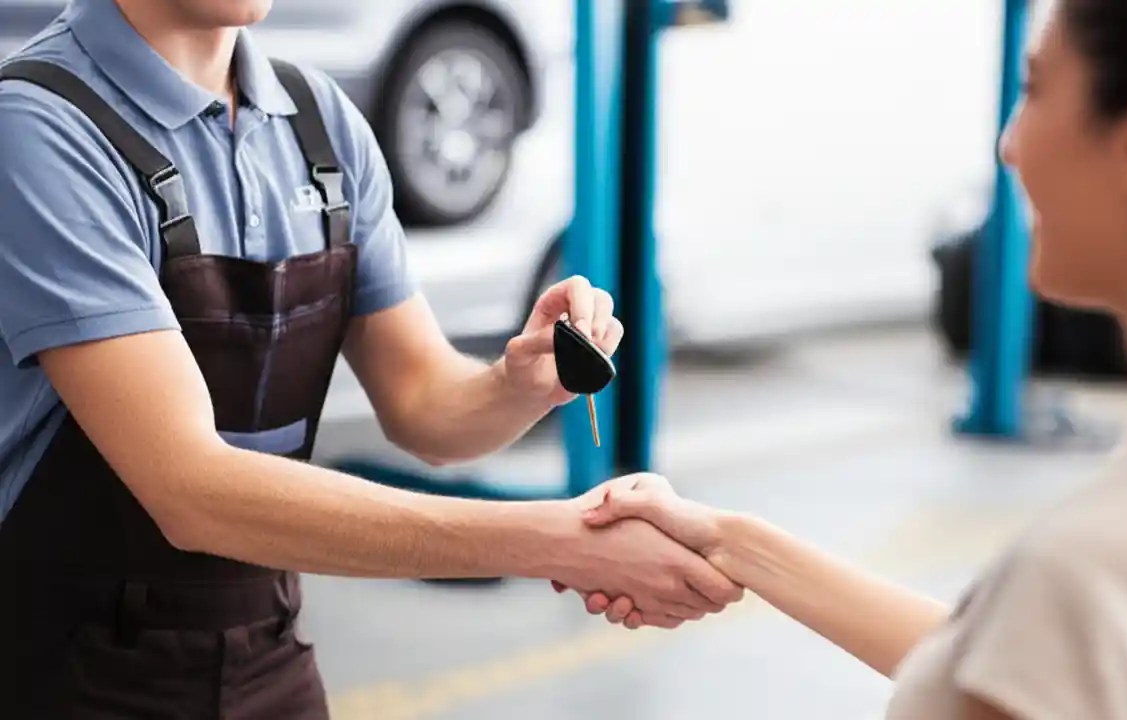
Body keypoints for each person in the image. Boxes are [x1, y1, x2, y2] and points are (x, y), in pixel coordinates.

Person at [0, 0, 739, 716]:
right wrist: (559, 545)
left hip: (267, 655)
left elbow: (427, 408)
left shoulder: (319, 125)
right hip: (66, 673)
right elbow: (191, 491)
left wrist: (519, 383)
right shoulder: (37, 129)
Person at [579, 0, 1127, 716]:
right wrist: (741, 544)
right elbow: (1019, 666)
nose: (1011, 145)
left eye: (1034, 90)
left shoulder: (1095, 571)